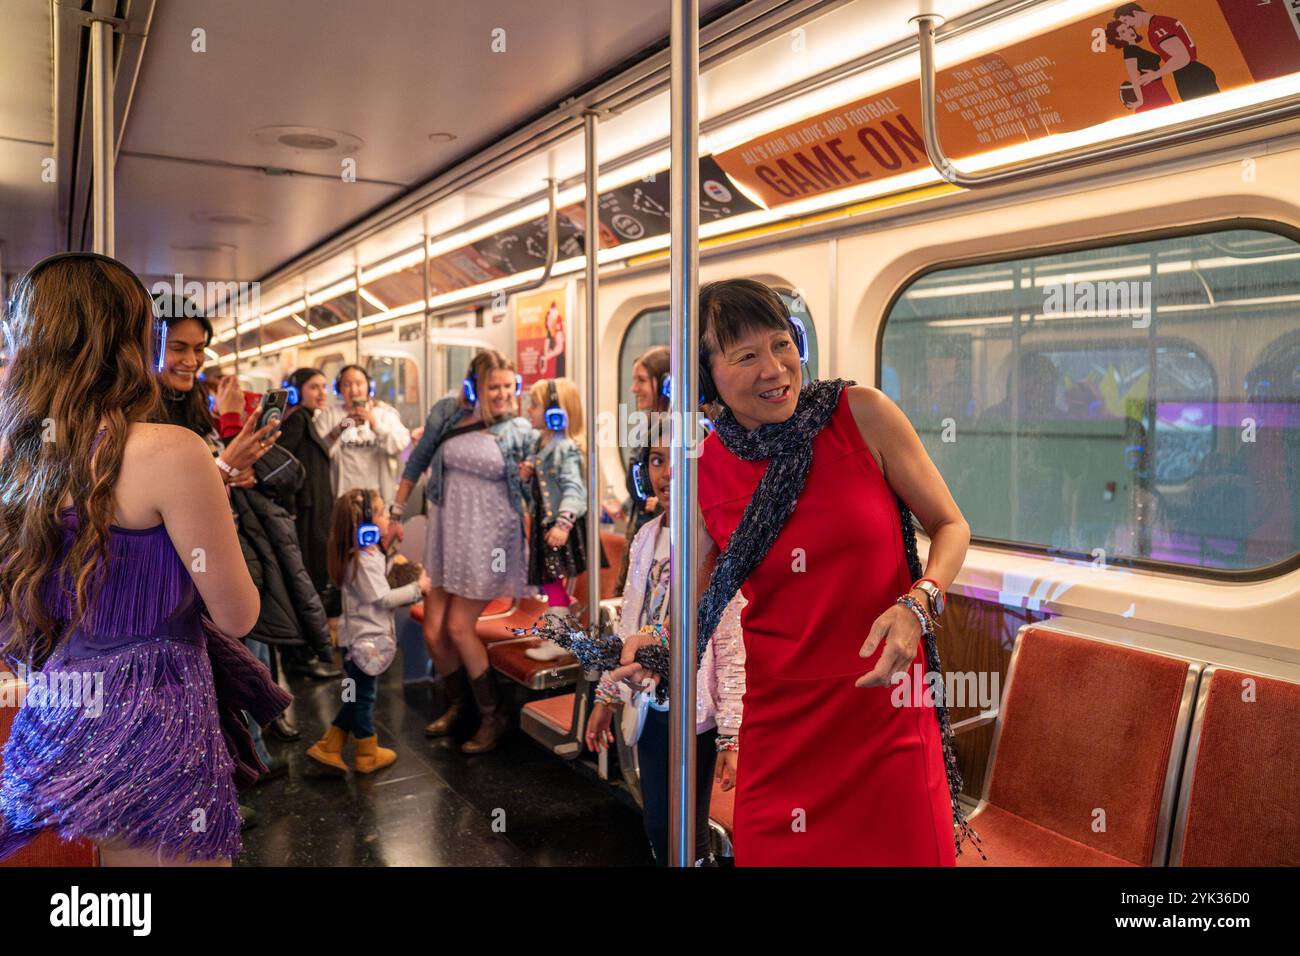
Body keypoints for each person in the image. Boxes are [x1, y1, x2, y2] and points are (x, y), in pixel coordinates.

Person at [629, 278, 972, 866]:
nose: (775, 368)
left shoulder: (860, 415)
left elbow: (950, 526)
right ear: (709, 378)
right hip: (784, 726)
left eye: (781, 343)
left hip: (885, 708)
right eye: (746, 356)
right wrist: (657, 640)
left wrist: (920, 602)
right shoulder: (705, 473)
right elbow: (695, 608)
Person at [0, 253, 289, 866]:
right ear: (132, 340)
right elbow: (237, 614)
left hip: (60, 719)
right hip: (158, 724)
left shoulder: (17, 459)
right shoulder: (170, 451)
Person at [584, 441, 746, 866]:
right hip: (647, 701)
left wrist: (730, 734)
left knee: (688, 830)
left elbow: (730, 649)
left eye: (681, 462)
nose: (668, 473)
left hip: (697, 713)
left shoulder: (715, 544)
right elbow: (628, 624)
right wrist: (605, 696)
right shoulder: (645, 537)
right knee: (657, 820)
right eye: (658, 461)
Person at [390, 350, 536, 754]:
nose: (503, 394)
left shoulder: (519, 429)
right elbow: (418, 461)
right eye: (494, 387)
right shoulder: (448, 413)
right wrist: (395, 511)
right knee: (434, 630)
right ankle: (460, 707)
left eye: (509, 386)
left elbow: (531, 491)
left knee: (458, 626)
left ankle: (494, 716)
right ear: (474, 387)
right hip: (447, 532)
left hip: (490, 539)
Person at [306, 489, 431, 775]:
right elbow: (383, 598)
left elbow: (374, 582)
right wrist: (418, 588)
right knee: (364, 698)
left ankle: (330, 746)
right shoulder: (362, 559)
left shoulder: (363, 553)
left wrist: (390, 551)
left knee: (357, 695)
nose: (388, 517)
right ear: (366, 522)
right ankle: (366, 752)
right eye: (383, 513)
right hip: (366, 642)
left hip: (359, 640)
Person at [518, 378, 594, 661]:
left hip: (558, 527)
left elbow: (575, 489)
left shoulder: (566, 449)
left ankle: (560, 638)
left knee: (551, 582)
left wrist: (563, 524)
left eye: (535, 405)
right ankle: (563, 620)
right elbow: (538, 494)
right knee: (550, 583)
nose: (529, 410)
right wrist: (527, 476)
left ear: (556, 412)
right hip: (545, 525)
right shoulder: (543, 445)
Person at [615, 345, 671, 595]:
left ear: (665, 382)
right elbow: (640, 481)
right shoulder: (647, 426)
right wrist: (627, 504)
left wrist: (660, 504)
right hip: (640, 527)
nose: (633, 388)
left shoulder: (679, 430)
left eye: (641, 380)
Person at [314, 364, 411, 504]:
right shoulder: (329, 416)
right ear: (339, 388)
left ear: (369, 386)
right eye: (347, 385)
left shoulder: (385, 414)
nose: (354, 390)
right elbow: (317, 455)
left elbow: (401, 445)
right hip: (342, 497)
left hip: (378, 497)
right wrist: (339, 429)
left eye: (359, 384)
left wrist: (375, 425)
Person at [1115, 4, 1219, 101]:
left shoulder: (1157, 28)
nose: (1128, 24)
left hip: (1191, 75)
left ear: (1135, 13)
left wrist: (1155, 75)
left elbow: (1182, 57)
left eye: (1125, 20)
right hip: (1192, 73)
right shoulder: (1160, 22)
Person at [1106, 19, 1174, 113]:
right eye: (1123, 31)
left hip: (1156, 85)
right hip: (1150, 88)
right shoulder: (1129, 51)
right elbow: (1133, 76)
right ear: (1119, 38)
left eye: (1128, 27)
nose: (1129, 31)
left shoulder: (1135, 49)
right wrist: (1140, 100)